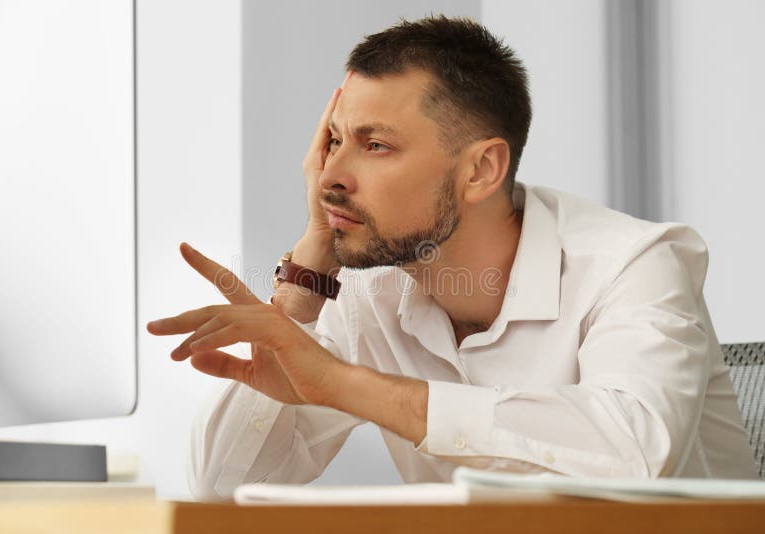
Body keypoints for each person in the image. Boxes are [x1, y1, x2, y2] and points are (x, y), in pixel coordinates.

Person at [147, 15, 758, 500]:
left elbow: (634, 452)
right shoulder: (369, 292)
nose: (329, 176)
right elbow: (222, 490)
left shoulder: (634, 263)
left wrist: (346, 386)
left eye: (376, 145)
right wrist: (305, 282)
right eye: (333, 141)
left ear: (481, 170)